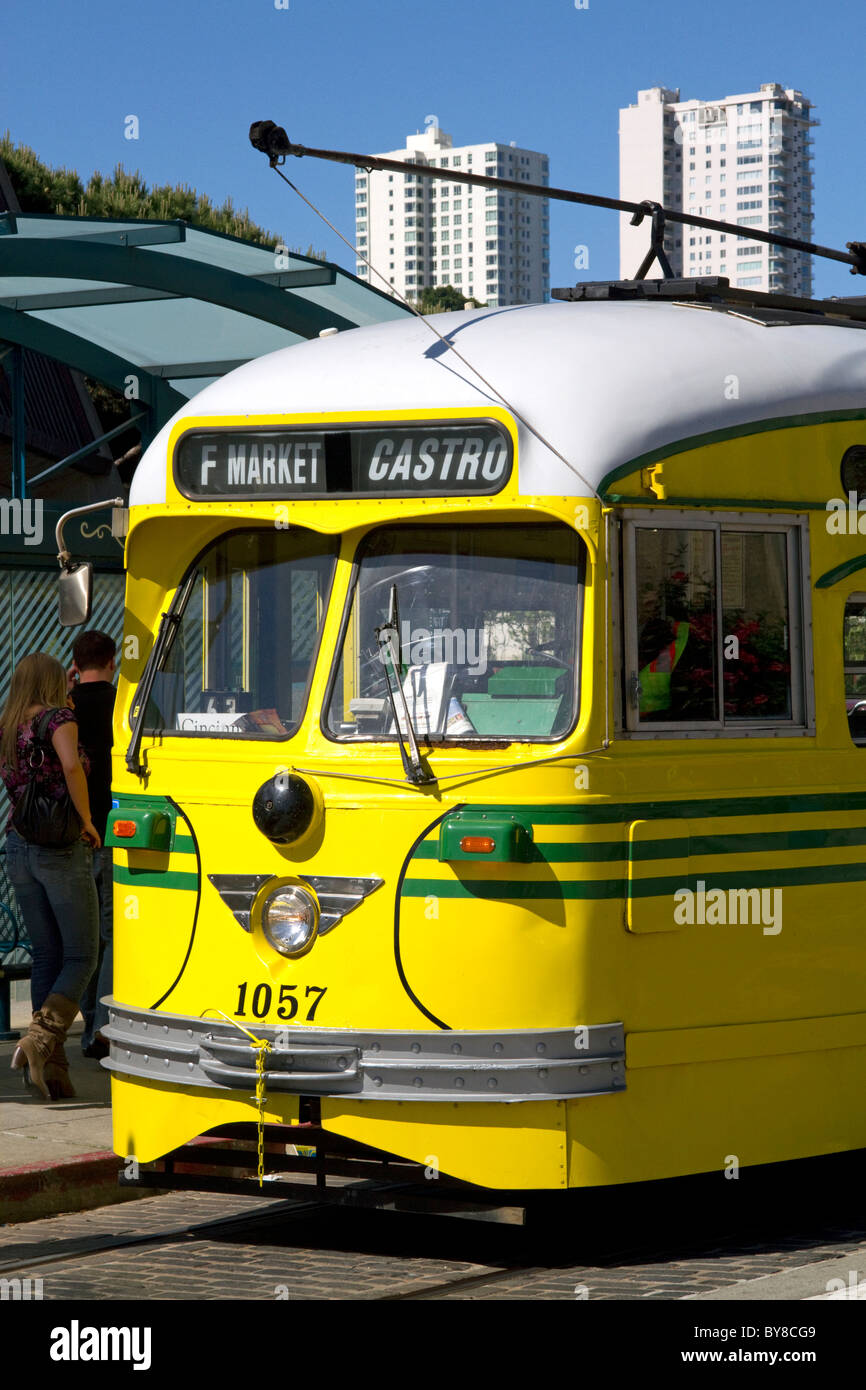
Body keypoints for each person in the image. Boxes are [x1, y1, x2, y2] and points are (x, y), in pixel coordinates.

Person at [1, 652, 100, 1100]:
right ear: (52, 681)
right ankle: (39, 1040)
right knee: (82, 955)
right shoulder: (58, 717)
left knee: (47, 956)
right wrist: (87, 819)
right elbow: (72, 766)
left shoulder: (10, 724)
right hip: (59, 847)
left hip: (18, 845)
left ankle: (52, 1071)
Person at [68, 630, 117, 1060]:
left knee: (86, 939)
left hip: (74, 836)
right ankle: (104, 1028)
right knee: (113, 934)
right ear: (113, 661)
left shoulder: (64, 709)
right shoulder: (123, 705)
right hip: (110, 829)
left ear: (76, 663)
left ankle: (87, 1031)